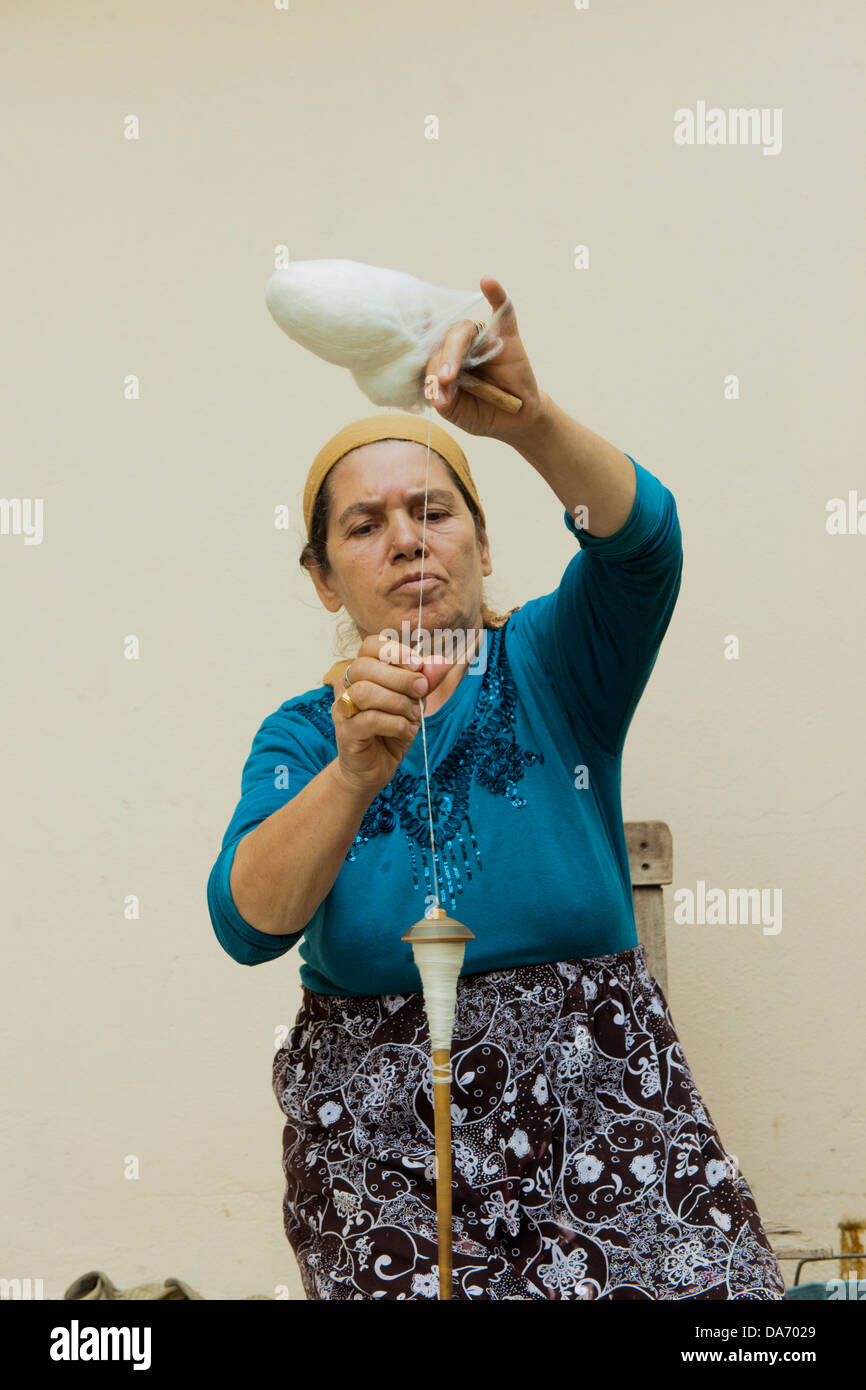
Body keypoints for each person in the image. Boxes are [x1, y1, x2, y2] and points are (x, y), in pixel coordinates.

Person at [206, 277, 786, 1300]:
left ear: (481, 540)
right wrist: (353, 772)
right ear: (323, 579)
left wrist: (531, 422)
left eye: (432, 510)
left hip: (604, 1122)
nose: (406, 537)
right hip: (384, 1146)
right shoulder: (304, 736)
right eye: (364, 524)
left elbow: (642, 545)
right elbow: (249, 919)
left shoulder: (553, 667)